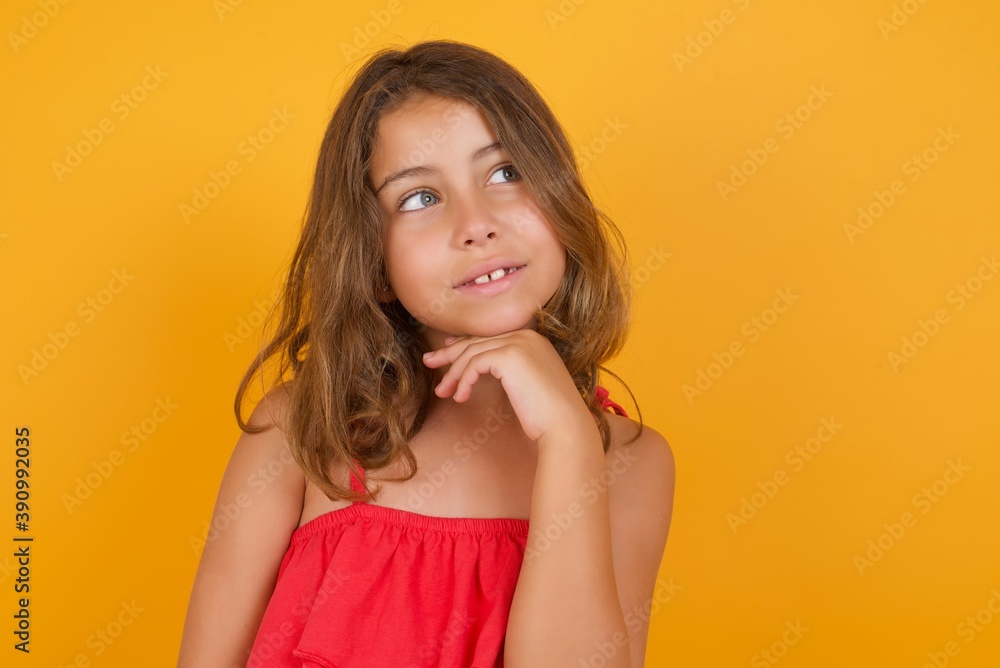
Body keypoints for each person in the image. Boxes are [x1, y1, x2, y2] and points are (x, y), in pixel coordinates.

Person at [177, 39, 675, 668]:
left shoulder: (628, 463)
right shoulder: (301, 430)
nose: (476, 224)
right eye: (419, 197)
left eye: (505, 172)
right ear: (374, 263)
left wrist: (569, 442)